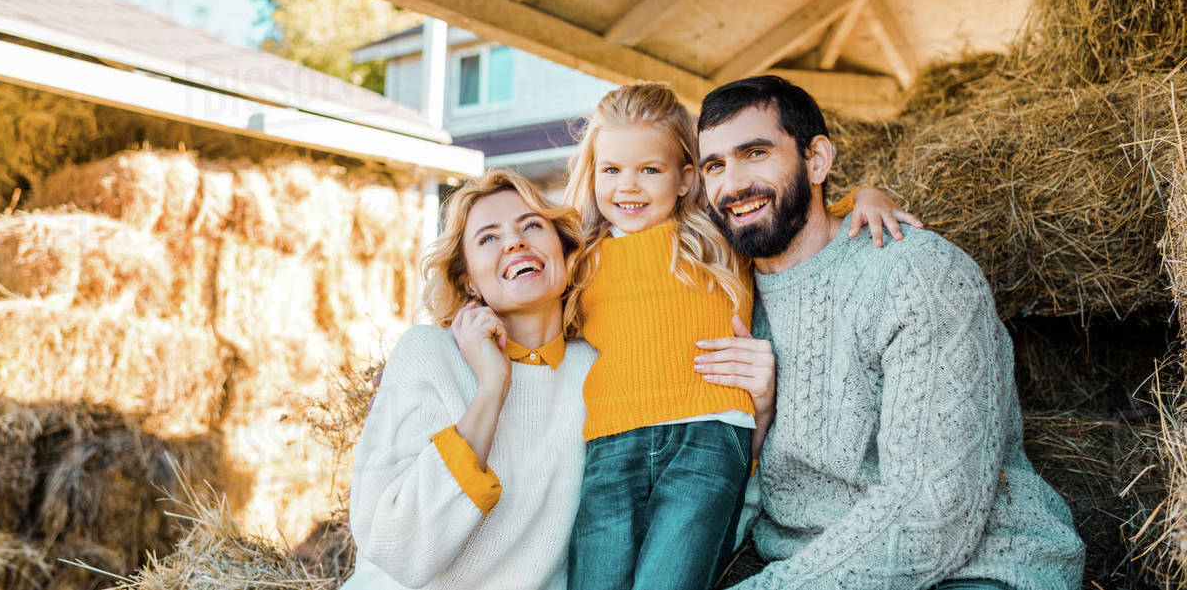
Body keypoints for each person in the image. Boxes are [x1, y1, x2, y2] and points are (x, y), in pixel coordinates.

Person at [694, 75, 1085, 590]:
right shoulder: (723, 300)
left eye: (757, 152)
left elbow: (930, 515)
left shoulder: (916, 274)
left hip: (974, 567)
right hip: (808, 570)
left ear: (817, 161)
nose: (734, 183)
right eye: (715, 165)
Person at [343, 167, 777, 590]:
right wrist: (492, 389)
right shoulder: (428, 354)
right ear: (468, 281)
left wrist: (757, 414)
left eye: (530, 226)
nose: (514, 242)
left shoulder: (599, 372)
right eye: (488, 237)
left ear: (564, 251)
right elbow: (396, 548)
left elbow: (687, 532)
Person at [562, 82, 919, 590]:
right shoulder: (579, 258)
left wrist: (866, 194)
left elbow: (791, 209)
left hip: (708, 437)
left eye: (650, 170)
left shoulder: (715, 238)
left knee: (667, 580)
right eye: (611, 170)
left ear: (686, 179)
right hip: (611, 442)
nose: (629, 187)